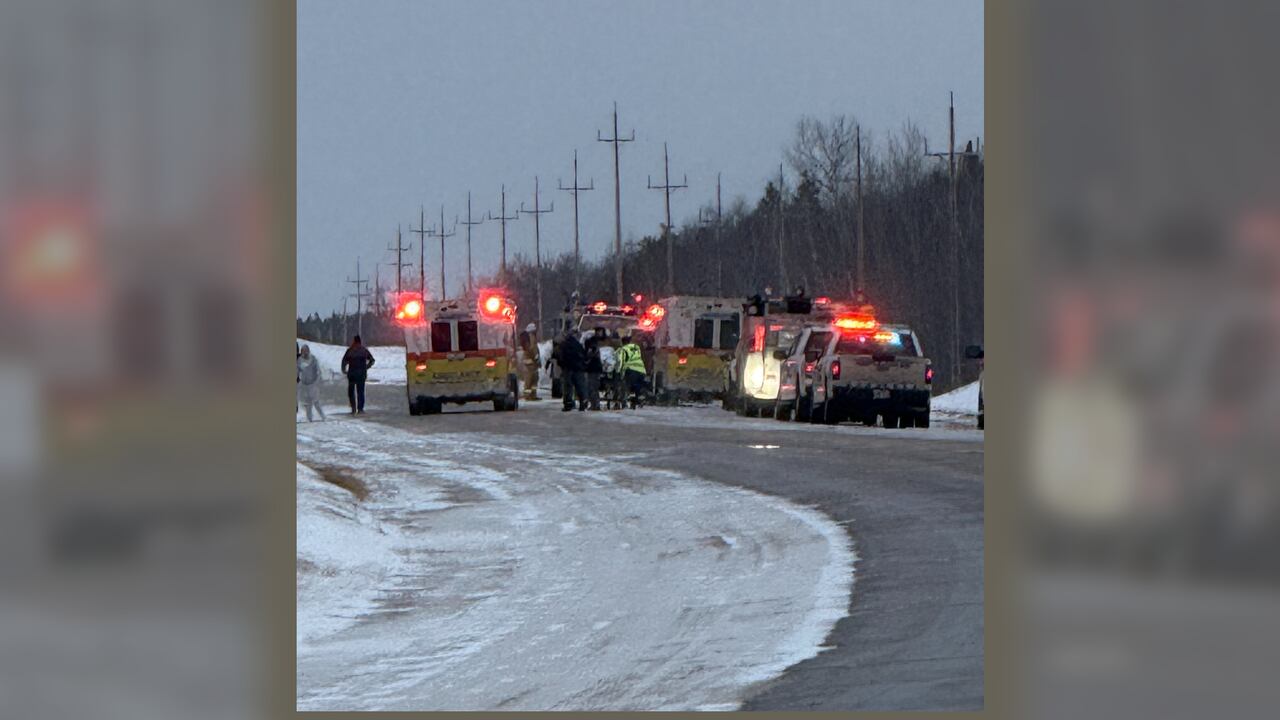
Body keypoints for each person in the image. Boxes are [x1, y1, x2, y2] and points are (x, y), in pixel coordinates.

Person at [555, 328, 589, 412]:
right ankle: (583, 403)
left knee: (568, 387)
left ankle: (568, 404)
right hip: (578, 368)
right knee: (580, 386)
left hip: (567, 369)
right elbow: (584, 356)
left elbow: (560, 356)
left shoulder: (563, 345)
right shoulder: (578, 345)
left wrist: (562, 365)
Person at [341, 334, 375, 414]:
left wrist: (344, 370)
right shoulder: (364, 350)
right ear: (360, 341)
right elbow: (372, 360)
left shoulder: (350, 350)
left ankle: (353, 408)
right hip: (361, 374)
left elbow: (344, 361)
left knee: (351, 392)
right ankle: (360, 409)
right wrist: (366, 367)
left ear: (354, 341)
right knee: (360, 391)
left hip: (352, 374)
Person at [616, 330, 648, 410]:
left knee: (629, 387)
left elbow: (621, 362)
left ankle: (629, 403)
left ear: (622, 342)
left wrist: (619, 372)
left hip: (631, 370)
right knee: (637, 386)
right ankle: (638, 399)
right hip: (641, 370)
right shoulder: (636, 347)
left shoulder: (622, 349)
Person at [296, 344, 325, 422]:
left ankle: (323, 416)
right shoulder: (300, 360)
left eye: (305, 351)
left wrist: (317, 381)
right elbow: (297, 370)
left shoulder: (313, 359)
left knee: (316, 402)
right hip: (305, 384)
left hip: (313, 384)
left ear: (308, 351)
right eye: (302, 351)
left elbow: (318, 371)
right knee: (308, 403)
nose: (304, 353)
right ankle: (310, 419)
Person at [583, 327, 606, 411]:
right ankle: (594, 404)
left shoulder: (602, 342)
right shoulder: (593, 342)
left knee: (592, 387)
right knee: (592, 387)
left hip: (595, 368)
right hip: (593, 368)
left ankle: (595, 404)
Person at [518, 323, 541, 400]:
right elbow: (533, 348)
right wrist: (536, 357)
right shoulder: (531, 337)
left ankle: (531, 395)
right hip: (531, 362)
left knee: (531, 379)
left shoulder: (527, 337)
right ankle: (529, 396)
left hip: (528, 361)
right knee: (531, 379)